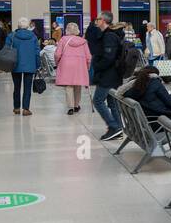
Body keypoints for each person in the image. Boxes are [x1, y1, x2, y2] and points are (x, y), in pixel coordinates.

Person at [91, 11, 127, 141]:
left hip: (109, 75)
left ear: (103, 21)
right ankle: (118, 129)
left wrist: (97, 66)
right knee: (112, 102)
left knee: (98, 100)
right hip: (112, 74)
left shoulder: (109, 36)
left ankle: (114, 127)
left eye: (98, 19)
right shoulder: (107, 35)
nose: (96, 21)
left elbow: (109, 57)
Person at [54, 22, 92, 115]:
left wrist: (57, 62)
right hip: (80, 65)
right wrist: (87, 67)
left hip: (66, 64)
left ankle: (70, 107)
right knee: (78, 85)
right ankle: (76, 105)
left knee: (68, 86)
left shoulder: (63, 40)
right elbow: (88, 57)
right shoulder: (83, 41)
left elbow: (57, 54)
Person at [7, 17, 41, 116]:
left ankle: (16, 108)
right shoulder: (33, 36)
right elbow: (37, 52)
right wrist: (37, 64)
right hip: (30, 66)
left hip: (15, 64)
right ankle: (26, 109)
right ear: (27, 26)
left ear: (18, 25)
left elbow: (6, 49)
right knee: (27, 88)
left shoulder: (12, 36)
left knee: (16, 87)